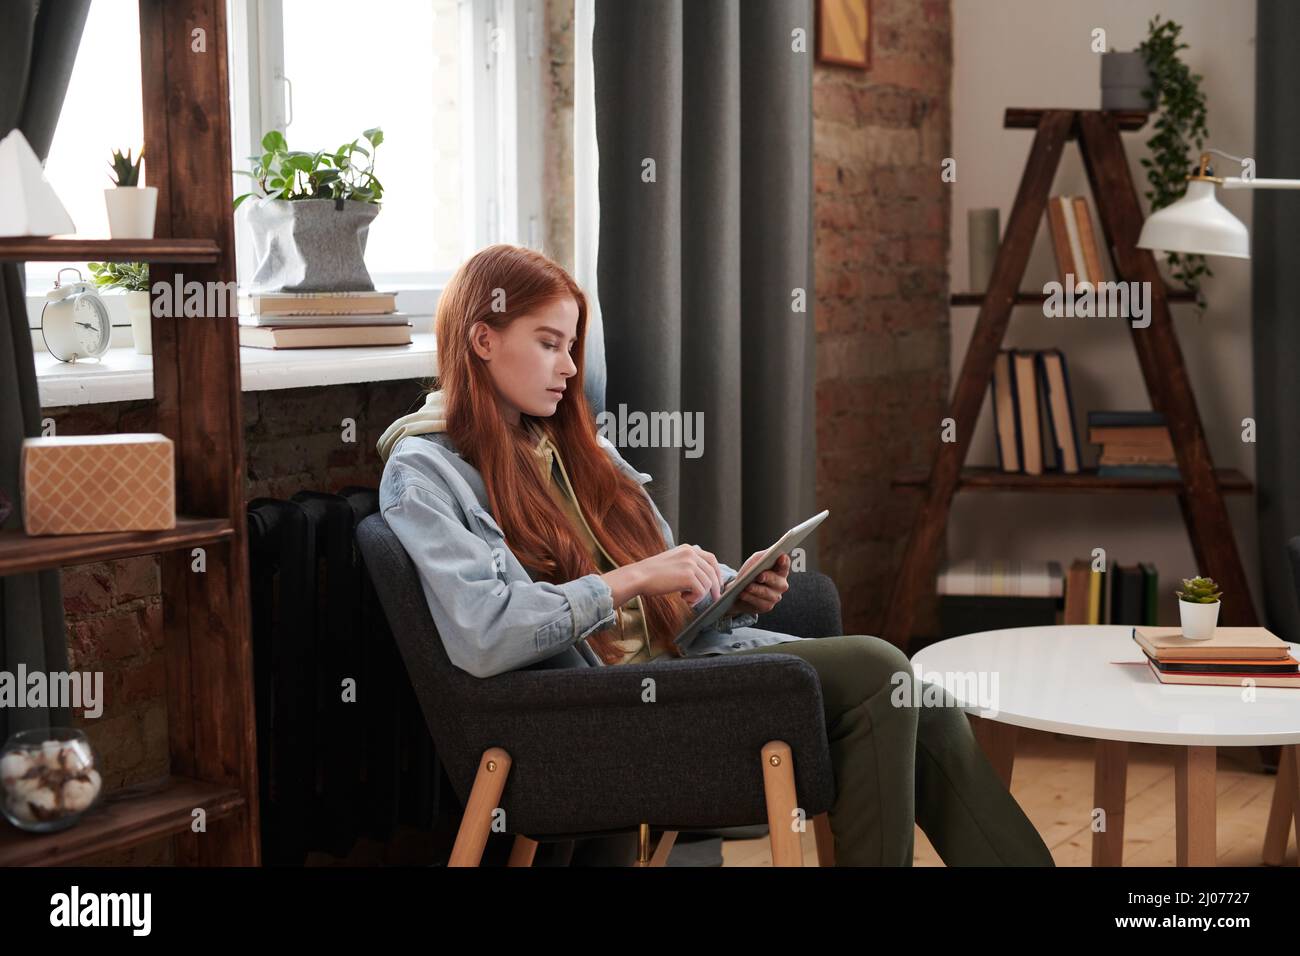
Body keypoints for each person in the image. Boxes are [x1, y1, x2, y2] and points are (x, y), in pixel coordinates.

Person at [376, 244, 1054, 867]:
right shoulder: (426, 474)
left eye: (572, 346)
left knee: (920, 699)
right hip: (605, 712)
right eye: (549, 343)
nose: (571, 367)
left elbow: (661, 579)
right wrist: (634, 578)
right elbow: (486, 634)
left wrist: (728, 590)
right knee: (881, 667)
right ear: (483, 339)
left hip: (681, 669)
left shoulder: (577, 446)